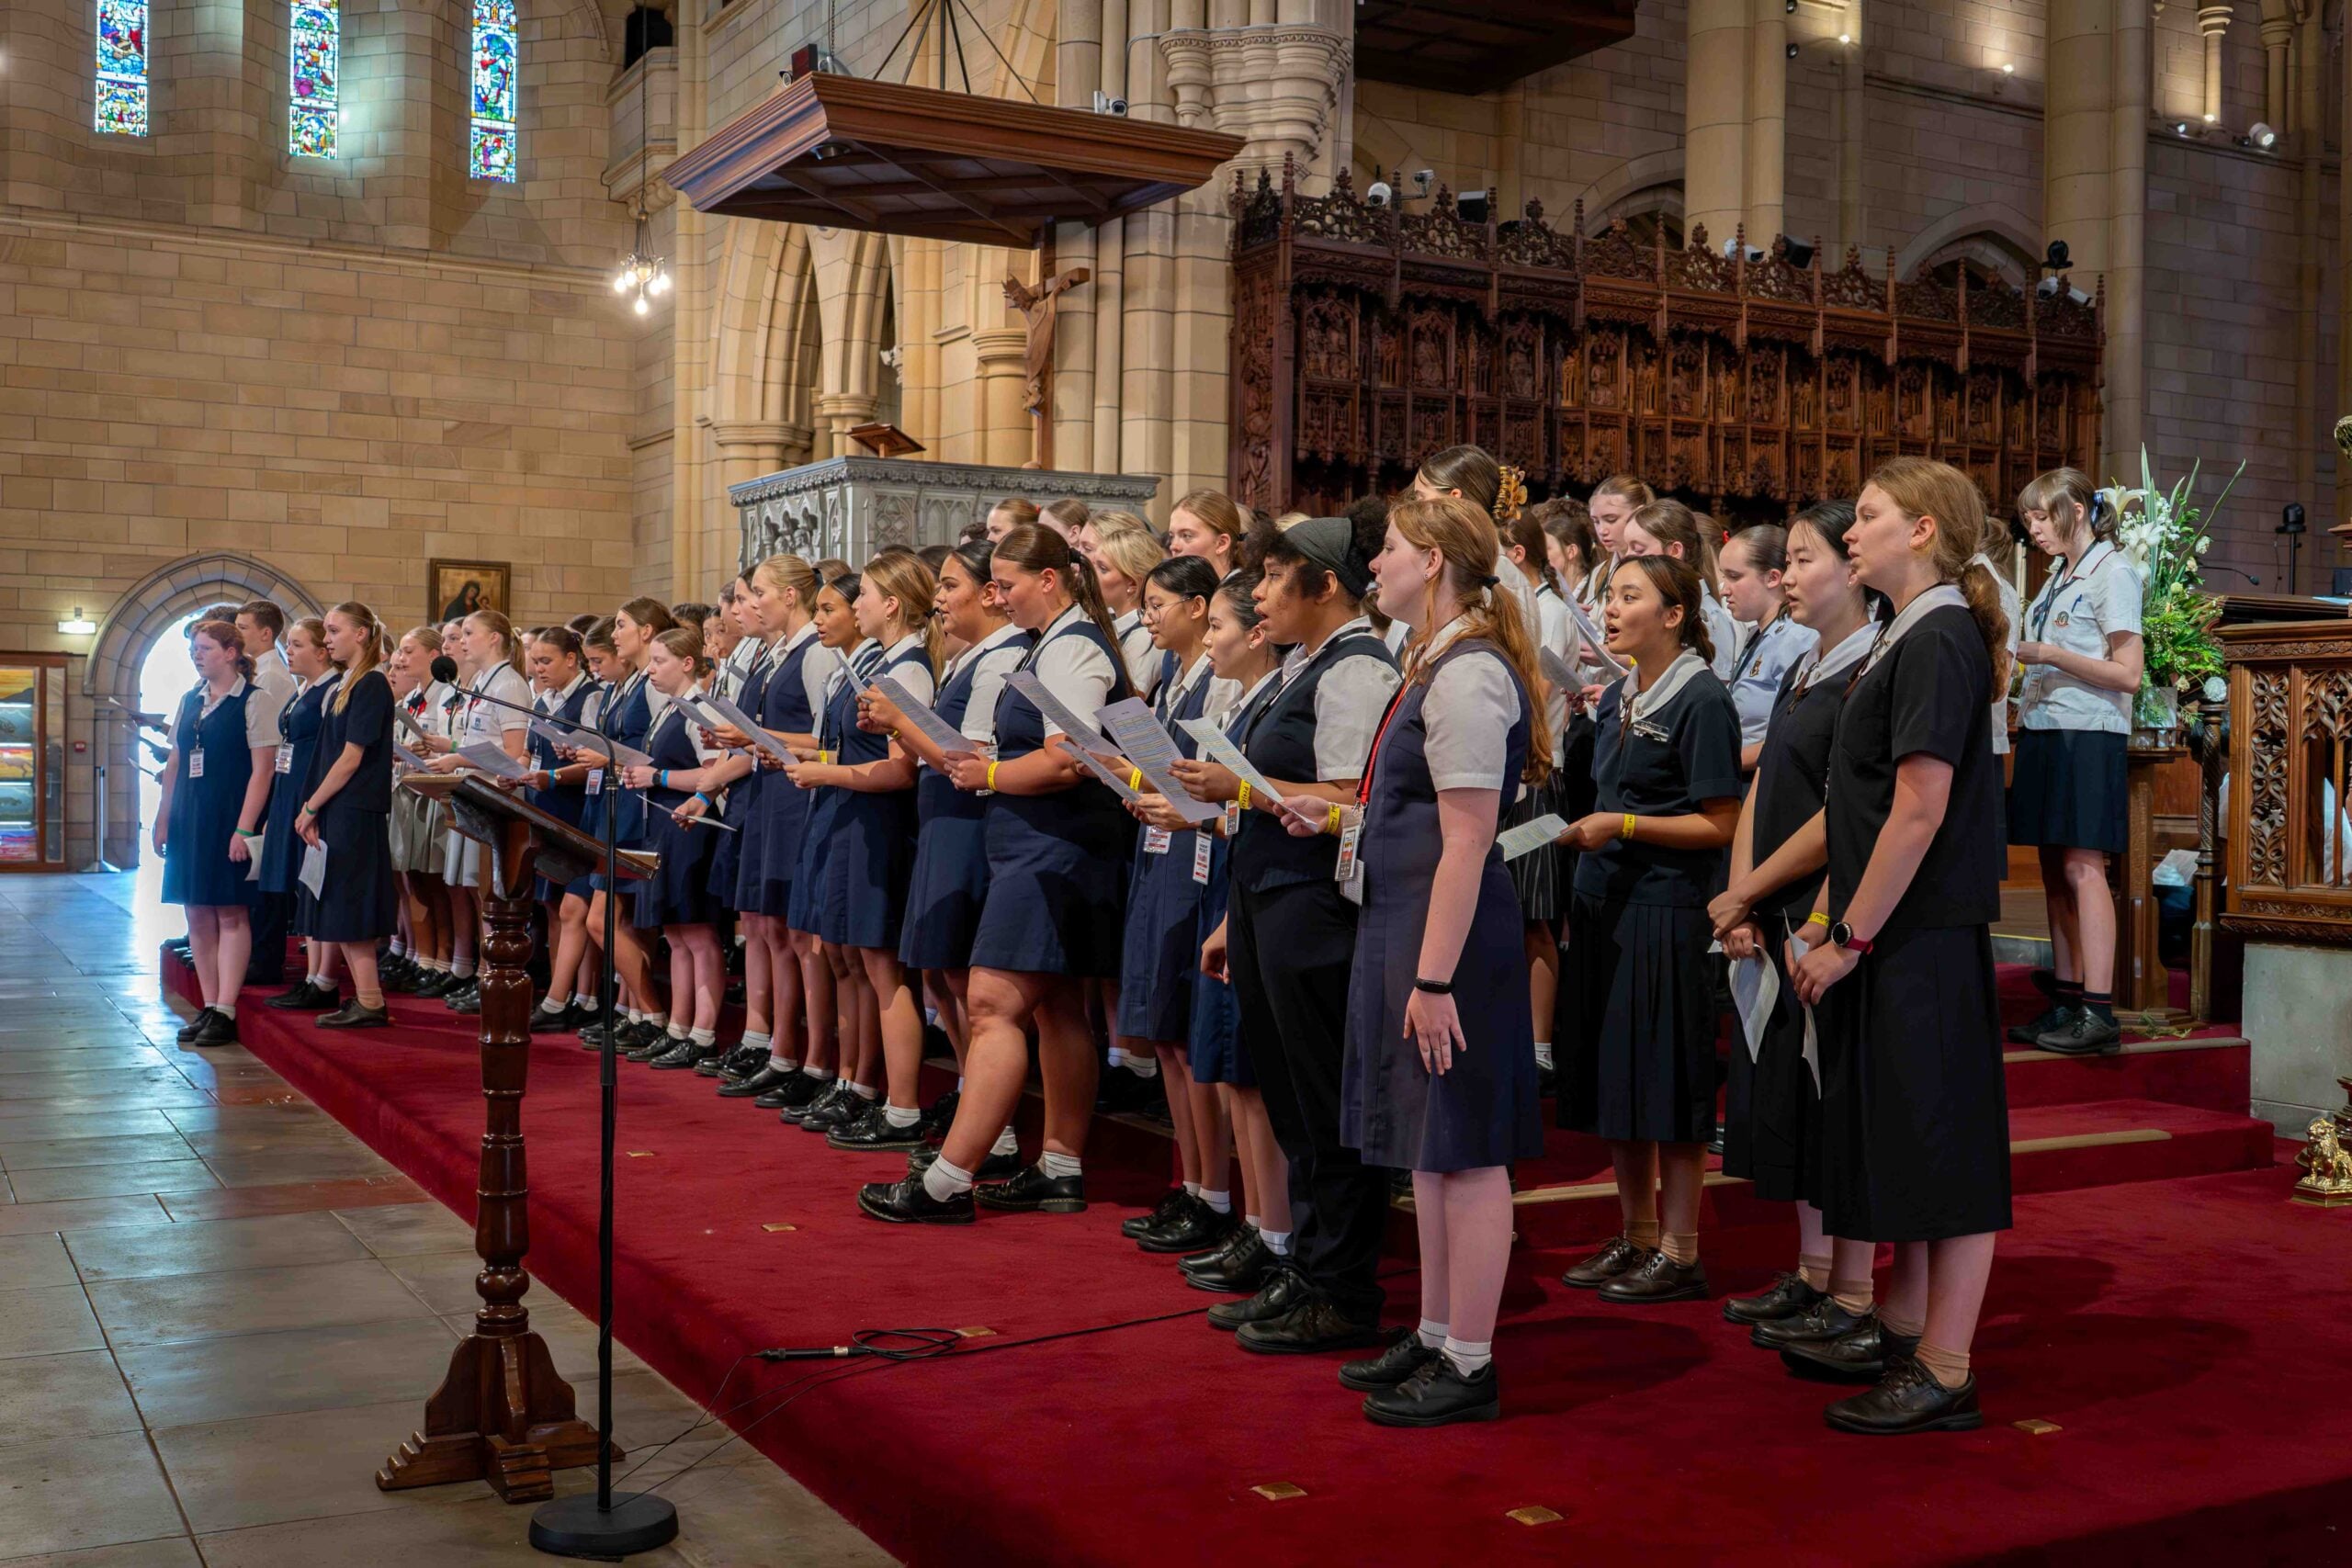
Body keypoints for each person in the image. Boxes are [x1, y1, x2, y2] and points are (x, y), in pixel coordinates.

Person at [1786, 456, 2012, 1436]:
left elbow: (1917, 811)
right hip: (1889, 929)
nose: (1850, 532)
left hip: (1917, 935)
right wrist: (1830, 918)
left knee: (1945, 1149)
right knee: (1908, 1141)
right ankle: (1904, 1328)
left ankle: (1947, 1366)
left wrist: (1849, 937)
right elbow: (1863, 807)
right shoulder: (1902, 634)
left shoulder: (1938, 636)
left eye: (1868, 515)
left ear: (1922, 530)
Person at [1335, 494, 1549, 1427]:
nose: (1372, 565)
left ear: (1431, 560)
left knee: (1463, 1150)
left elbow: (1466, 843)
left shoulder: (1468, 674)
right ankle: (1432, 1333)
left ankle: (1470, 1359)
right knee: (1427, 1151)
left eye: (1385, 550)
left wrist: (1430, 980)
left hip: (1449, 942)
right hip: (1411, 924)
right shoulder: (1433, 660)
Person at [857, 524, 1135, 1224]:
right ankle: (1062, 1164)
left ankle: (948, 1181)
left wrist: (989, 772)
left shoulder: (1070, 646)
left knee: (990, 1003)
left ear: (1048, 579)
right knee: (1056, 1005)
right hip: (1044, 846)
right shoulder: (1055, 641)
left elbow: (1068, 757)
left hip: (1056, 846)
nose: (998, 596)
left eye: (1006, 584)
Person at [1180, 513, 1401, 1353]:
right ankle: (1307, 1268)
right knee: (1292, 1099)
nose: (1259, 592)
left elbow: (1350, 794)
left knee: (1324, 1101)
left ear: (1326, 585)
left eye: (1275, 576)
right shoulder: (1303, 666)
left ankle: (1344, 1288)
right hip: (1271, 896)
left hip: (1318, 905)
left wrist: (1238, 787)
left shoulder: (1354, 669)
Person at [1704, 501, 1882, 1340]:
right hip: (1766, 904)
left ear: (1855, 572)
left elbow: (1835, 816)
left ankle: (1846, 1287)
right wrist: (1738, 893)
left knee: (1827, 1102)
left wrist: (1758, 894)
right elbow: (1766, 786)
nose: (1793, 576)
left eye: (1808, 559)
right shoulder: (1809, 663)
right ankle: (1813, 1273)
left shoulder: (1864, 672)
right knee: (1790, 1103)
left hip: (1816, 910)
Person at [1553, 553, 1742, 1303]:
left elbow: (1719, 821)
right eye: (1608, 594)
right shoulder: (1618, 694)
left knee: (1668, 1078)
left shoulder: (1700, 697)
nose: (1610, 607)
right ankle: (1634, 1235)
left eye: (1629, 596)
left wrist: (1625, 821)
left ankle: (1682, 1246)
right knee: (1617, 1078)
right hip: (1606, 903)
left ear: (1672, 614)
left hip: (1667, 907)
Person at [862, 537, 1035, 1177]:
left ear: (991, 593)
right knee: (938, 975)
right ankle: (972, 1096)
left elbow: (971, 762)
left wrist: (901, 723)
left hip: (968, 823)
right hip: (942, 821)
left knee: (960, 979)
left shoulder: (1001, 658)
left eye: (950, 586)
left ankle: (999, 1127)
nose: (937, 600)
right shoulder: (971, 658)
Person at [789, 552, 941, 1149]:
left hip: (880, 824)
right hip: (852, 818)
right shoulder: (877, 659)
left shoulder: (909, 667)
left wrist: (829, 776)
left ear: (892, 605)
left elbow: (902, 770)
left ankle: (900, 1104)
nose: (855, 607)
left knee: (883, 967)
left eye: (863, 596)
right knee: (850, 958)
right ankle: (855, 1079)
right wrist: (820, 767)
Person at [1114, 555, 1234, 1255]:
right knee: (1164, 1028)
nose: (1149, 614)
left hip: (1202, 855)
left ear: (1198, 606)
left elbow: (1212, 781)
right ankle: (1191, 1184)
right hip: (1164, 847)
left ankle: (1214, 1192)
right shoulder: (1170, 677)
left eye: (1159, 603)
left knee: (1188, 1034)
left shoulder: (1217, 682)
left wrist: (1174, 798)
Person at [2008, 467, 2144, 1055]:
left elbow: (2128, 674)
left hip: (2088, 734)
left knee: (2085, 867)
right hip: (2042, 727)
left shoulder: (2113, 572)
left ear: (2080, 509)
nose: (2035, 530)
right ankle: (2065, 998)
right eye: (2029, 521)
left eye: (2043, 517)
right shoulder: (2056, 578)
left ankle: (2099, 1010)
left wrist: (2049, 654)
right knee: (2051, 866)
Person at [715, 556, 839, 1112]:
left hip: (797, 797)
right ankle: (780, 1051)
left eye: (759, 593)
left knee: (799, 936)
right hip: (771, 796)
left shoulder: (813, 652)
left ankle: (812, 1058)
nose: (751, 603)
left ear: (791, 596)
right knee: (771, 929)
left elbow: (821, 736)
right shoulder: (778, 653)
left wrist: (755, 734)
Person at [778, 573, 886, 1129]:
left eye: (831, 607)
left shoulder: (888, 665)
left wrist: (821, 765)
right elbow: (832, 742)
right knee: (840, 956)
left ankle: (864, 1081)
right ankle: (846, 1075)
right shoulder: (853, 668)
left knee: (865, 962)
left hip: (861, 815)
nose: (819, 619)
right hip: (836, 805)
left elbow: (887, 757)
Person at [158, 618, 286, 1048]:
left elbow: (263, 770)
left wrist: (244, 828)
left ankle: (227, 1009)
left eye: (206, 647)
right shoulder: (190, 699)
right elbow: (176, 761)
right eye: (194, 648)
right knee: (196, 909)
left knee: (230, 911)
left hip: (229, 815)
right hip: (190, 816)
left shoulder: (254, 701)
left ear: (231, 653)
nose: (197, 654)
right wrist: (163, 817)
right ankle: (208, 1005)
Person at [568, 599, 677, 1052]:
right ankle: (633, 1010)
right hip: (616, 805)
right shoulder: (627, 683)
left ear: (648, 632)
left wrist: (605, 755)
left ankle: (652, 1012)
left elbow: (658, 751)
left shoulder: (650, 684)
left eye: (621, 625)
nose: (614, 635)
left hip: (639, 807)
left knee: (605, 920)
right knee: (620, 920)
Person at [617, 628, 730, 1064]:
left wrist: (658, 777)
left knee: (698, 932)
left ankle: (703, 1032)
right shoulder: (672, 708)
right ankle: (680, 1025)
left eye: (660, 660)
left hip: (692, 825)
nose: (650, 669)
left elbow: (710, 776)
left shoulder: (701, 709)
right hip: (665, 825)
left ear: (687, 663)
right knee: (675, 933)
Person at [417, 609, 532, 1015]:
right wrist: (446, 748)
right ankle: (482, 972)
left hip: (493, 798)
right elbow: (476, 738)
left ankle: (492, 975)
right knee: (472, 889)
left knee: (489, 894)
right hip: (471, 793)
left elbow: (515, 752)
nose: (461, 641)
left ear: (496, 639)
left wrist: (459, 759)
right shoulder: (481, 682)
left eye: (469, 633)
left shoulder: (510, 684)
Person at [1498, 509, 1576, 1090]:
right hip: (1512, 777)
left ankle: (1541, 1044)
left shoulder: (1544, 609)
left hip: (1538, 775)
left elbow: (1535, 691)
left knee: (1536, 916)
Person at [296, 603, 400, 1028]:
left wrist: (311, 805)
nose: (328, 639)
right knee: (339, 902)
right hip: (340, 806)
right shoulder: (346, 683)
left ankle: (371, 1001)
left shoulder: (371, 684)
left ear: (361, 635)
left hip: (354, 807)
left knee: (350, 902)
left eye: (335, 631)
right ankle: (367, 999)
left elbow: (351, 757)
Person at [516, 626, 604, 1032]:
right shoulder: (542, 699)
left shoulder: (590, 698)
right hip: (543, 808)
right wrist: (516, 771)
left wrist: (552, 777)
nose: (538, 668)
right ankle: (559, 990)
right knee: (552, 906)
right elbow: (531, 752)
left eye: (546, 660)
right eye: (534, 660)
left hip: (574, 809)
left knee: (576, 908)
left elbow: (594, 761)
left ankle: (581, 996)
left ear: (573, 659)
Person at [259, 618, 343, 1011]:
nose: (288, 651)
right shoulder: (302, 690)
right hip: (288, 792)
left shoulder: (332, 690)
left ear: (322, 651)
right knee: (300, 886)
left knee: (315, 887)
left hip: (311, 792)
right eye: (287, 645)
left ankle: (322, 978)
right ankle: (311, 975)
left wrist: (314, 805)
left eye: (296, 645)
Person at [1719, 525, 1819, 773]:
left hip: (1764, 775)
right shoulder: (1759, 633)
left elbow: (1797, 734)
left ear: (1773, 578)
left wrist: (1717, 764)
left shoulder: (1796, 638)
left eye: (1734, 577)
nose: (1724, 589)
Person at [1619, 499, 1743, 682]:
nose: (1627, 556)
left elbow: (1714, 690)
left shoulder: (1707, 616)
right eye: (1626, 547)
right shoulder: (1666, 604)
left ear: (1674, 550)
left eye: (1638, 549)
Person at [1092, 522, 1170, 702]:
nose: (1092, 574)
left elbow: (1130, 701)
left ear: (1132, 584)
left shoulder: (1144, 634)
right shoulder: (1110, 621)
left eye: (1102, 569)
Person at [1579, 474, 1654, 617]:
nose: (1602, 530)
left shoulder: (1655, 569)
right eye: (1596, 521)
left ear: (1639, 514)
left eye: (1611, 519)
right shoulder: (1599, 572)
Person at [1167, 488, 1249, 581]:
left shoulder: (1246, 593)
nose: (1173, 547)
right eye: (1172, 536)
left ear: (1222, 543)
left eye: (1187, 536)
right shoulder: (1178, 588)